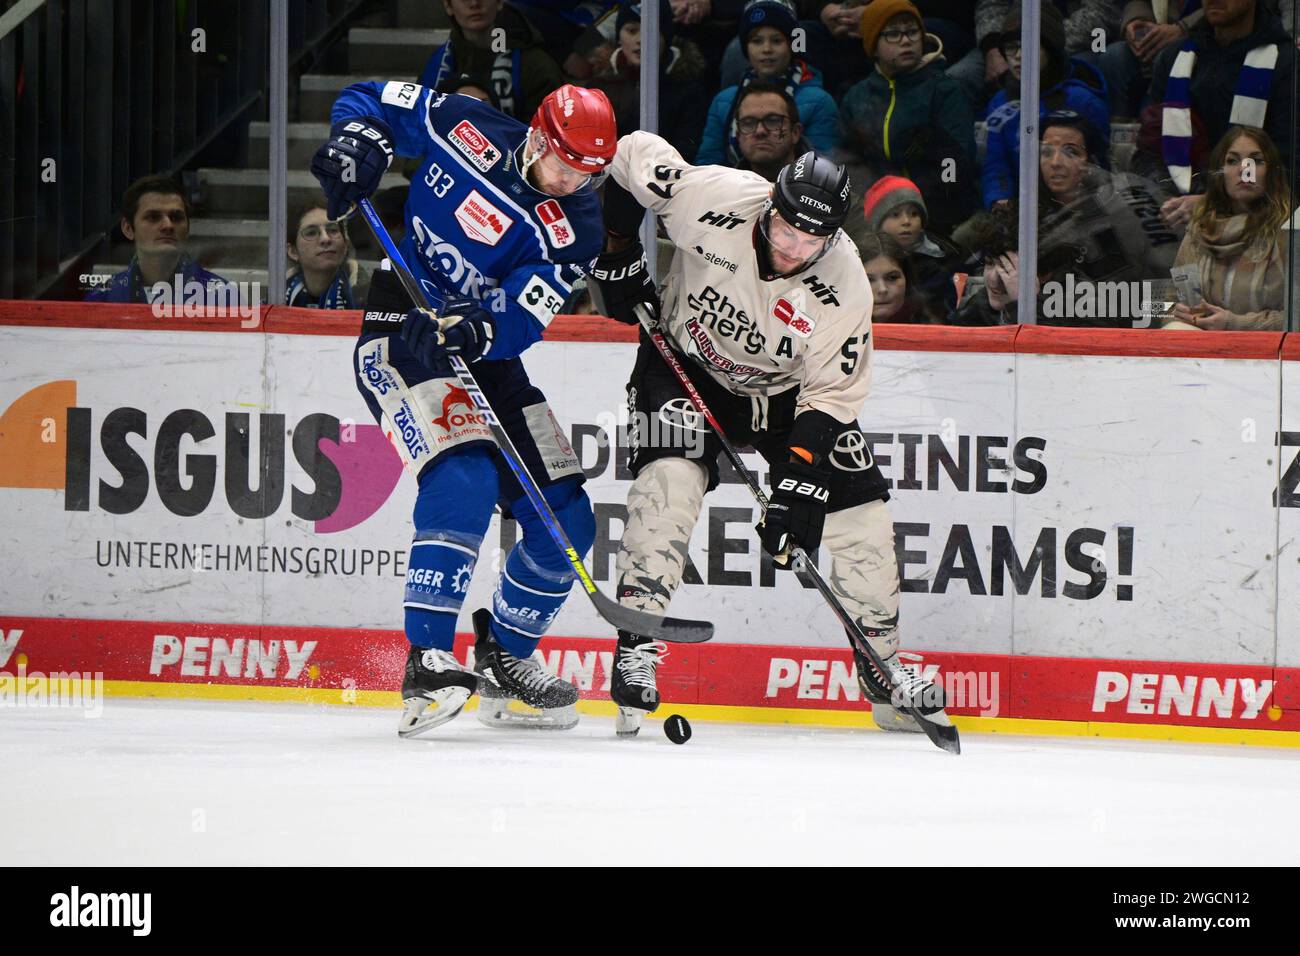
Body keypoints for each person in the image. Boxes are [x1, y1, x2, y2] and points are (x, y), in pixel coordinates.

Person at [588, 136, 953, 736]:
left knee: (861, 519)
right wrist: (622, 251)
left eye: (811, 240)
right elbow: (628, 156)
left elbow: (832, 396)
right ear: (771, 206)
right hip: (686, 364)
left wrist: (801, 487)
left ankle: (882, 664)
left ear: (832, 234)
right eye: (785, 229)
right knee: (670, 485)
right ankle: (637, 643)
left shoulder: (845, 283)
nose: (791, 248)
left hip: (788, 398)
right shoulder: (717, 197)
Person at [311, 82, 616, 736]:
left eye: (588, 173)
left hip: (487, 353)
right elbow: (365, 97)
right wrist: (353, 140)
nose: (571, 181)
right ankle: (425, 661)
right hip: (401, 332)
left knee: (569, 520)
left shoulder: (578, 224)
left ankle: (507, 661)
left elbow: (522, 314)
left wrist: (478, 329)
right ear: (536, 135)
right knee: (467, 475)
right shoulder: (461, 124)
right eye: (564, 163)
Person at [1135, 0, 1296, 232]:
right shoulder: (1172, 59)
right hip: (1173, 215)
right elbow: (1150, 151)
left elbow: (1288, 169)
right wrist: (1166, 202)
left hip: (1257, 222)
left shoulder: (1287, 65)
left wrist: (1213, 203)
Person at [837, 0, 978, 234]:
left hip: (935, 218)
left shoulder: (944, 90)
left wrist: (916, 192)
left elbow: (957, 163)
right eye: (893, 34)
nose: (906, 40)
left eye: (912, 32)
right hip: (874, 215)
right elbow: (848, 163)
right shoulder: (856, 97)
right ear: (873, 44)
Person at [982, 3, 1110, 210]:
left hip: (1074, 209)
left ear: (1051, 50)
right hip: (1016, 208)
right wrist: (1000, 200)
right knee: (964, 238)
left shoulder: (1083, 101)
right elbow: (996, 164)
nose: (1019, 56)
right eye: (1011, 48)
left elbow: (1098, 167)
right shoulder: (999, 103)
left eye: (1029, 46)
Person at [1164, 125, 1292, 330]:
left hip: (1269, 356)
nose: (1244, 169)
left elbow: (1296, 319)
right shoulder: (1200, 229)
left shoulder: (1289, 232)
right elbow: (1171, 304)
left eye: (1256, 160)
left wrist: (1234, 324)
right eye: (1232, 161)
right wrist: (1181, 315)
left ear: (1272, 172)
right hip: (1202, 352)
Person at [695, 0, 840, 166]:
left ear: (792, 46)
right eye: (756, 41)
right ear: (745, 47)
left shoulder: (819, 102)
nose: (766, 49)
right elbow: (707, 165)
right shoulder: (723, 101)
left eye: (777, 41)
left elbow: (821, 168)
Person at [585, 0, 709, 162]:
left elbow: (685, 151)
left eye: (650, 30)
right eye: (631, 30)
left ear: (666, 37)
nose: (641, 39)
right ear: (618, 36)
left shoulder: (688, 91)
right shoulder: (598, 87)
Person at [85, 175, 231, 304]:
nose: (168, 225)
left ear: (187, 227)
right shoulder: (102, 296)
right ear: (128, 228)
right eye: (153, 217)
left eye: (176, 217)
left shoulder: (221, 295)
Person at [418, 0, 566, 121]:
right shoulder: (436, 66)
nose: (474, 3)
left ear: (500, 2)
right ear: (448, 6)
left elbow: (549, 136)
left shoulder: (534, 65)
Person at [861, 174, 963, 314]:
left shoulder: (940, 263)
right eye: (895, 215)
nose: (906, 221)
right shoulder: (857, 258)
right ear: (875, 223)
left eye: (914, 214)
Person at [284, 202, 369, 309]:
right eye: (311, 233)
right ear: (293, 251)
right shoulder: (278, 295)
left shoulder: (367, 296)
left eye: (333, 230)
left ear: (345, 244)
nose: (325, 239)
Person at [733, 81, 811, 180]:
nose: (760, 131)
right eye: (749, 123)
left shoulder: (827, 187)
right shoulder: (723, 190)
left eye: (773, 121)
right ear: (738, 136)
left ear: (795, 133)